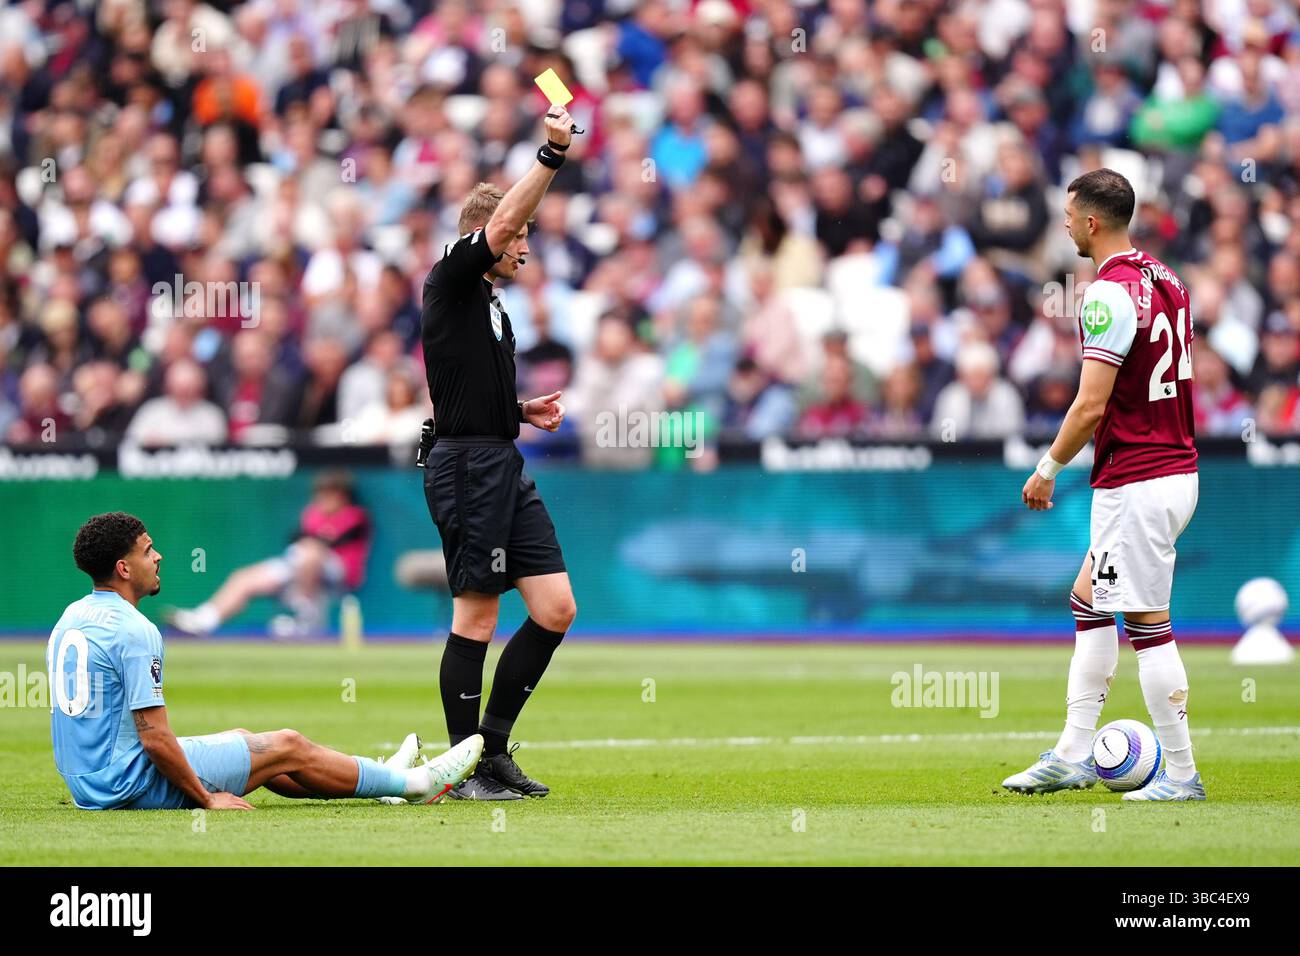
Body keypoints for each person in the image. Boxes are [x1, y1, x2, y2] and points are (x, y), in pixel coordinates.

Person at [50, 512, 481, 810]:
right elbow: (155, 739)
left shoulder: (70, 618)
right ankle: (416, 785)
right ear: (124, 569)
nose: (158, 556)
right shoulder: (135, 630)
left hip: (90, 785)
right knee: (287, 744)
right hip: (129, 785)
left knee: (252, 743)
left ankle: (377, 779)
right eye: (148, 551)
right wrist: (206, 798)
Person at [1007, 168, 1204, 801]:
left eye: (1069, 214)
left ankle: (1180, 774)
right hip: (1174, 467)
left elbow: (1091, 405)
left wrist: (1047, 468)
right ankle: (1072, 753)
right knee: (1088, 601)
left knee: (1147, 625)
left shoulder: (1105, 294)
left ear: (1092, 222)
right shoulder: (1168, 280)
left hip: (1139, 476)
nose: (1064, 222)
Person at [418, 104, 579, 800]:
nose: (525, 250)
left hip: (499, 463)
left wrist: (516, 410)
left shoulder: (491, 305)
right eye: (520, 239)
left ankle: (493, 752)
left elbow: (461, 386)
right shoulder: (451, 278)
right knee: (476, 617)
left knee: (555, 609)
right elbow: (505, 220)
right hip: (467, 471)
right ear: (491, 235)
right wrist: (551, 156)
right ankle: (460, 767)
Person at [166, 471, 371, 637]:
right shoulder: (312, 513)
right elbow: (297, 538)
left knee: (310, 552)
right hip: (298, 568)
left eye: (330, 493)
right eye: (321, 493)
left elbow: (326, 542)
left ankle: (305, 618)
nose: (323, 498)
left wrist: (312, 543)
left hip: (338, 575)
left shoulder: (355, 516)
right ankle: (202, 620)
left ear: (342, 495)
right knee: (244, 578)